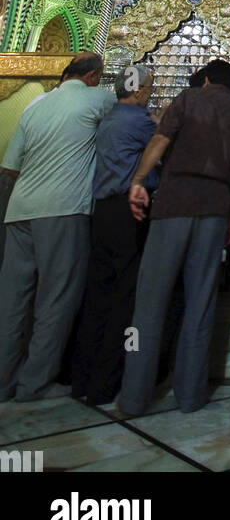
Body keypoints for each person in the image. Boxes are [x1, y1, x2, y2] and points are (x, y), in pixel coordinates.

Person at [118, 59, 230, 415]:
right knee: (201, 304)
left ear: (208, 79)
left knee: (150, 302)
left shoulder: (188, 99)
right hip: (215, 210)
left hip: (174, 203)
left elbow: (160, 141)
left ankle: (134, 397)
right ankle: (191, 395)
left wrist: (138, 181)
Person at [0, 53, 115, 401]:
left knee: (12, 300)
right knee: (56, 298)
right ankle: (34, 384)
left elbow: (11, 166)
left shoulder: (36, 103)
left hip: (19, 210)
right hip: (63, 210)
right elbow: (132, 118)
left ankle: (3, 382)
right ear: (94, 76)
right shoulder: (99, 97)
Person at [70, 64, 158, 407]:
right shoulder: (138, 121)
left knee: (97, 295)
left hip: (102, 211)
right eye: (149, 89)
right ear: (137, 91)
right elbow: (165, 146)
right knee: (124, 296)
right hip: (127, 212)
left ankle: (82, 380)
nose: (150, 93)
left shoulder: (107, 117)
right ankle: (106, 384)